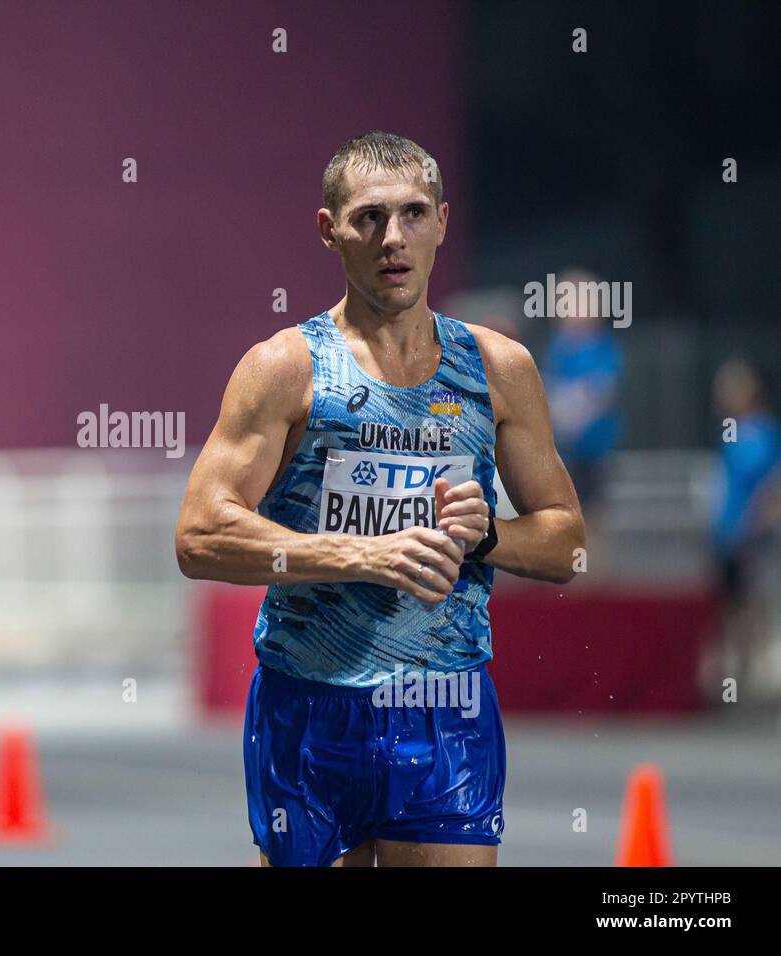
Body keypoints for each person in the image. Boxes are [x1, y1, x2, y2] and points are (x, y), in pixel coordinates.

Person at [174, 131, 584, 867]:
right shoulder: (284, 369)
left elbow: (567, 544)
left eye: (413, 213)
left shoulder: (498, 368)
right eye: (368, 217)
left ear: (442, 223)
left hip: (444, 709)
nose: (393, 238)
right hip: (310, 704)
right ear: (329, 231)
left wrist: (487, 535)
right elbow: (200, 536)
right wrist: (363, 554)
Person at [709, 359, 781, 694]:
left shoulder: (764, 432)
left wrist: (754, 524)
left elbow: (772, 486)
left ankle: (750, 674)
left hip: (752, 534)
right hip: (726, 533)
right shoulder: (731, 432)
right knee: (729, 605)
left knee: (752, 601)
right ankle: (732, 671)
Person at [542, 269, 622, 507]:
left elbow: (603, 390)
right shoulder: (558, 347)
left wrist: (572, 409)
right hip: (562, 450)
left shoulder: (602, 345)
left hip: (594, 448)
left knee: (593, 512)